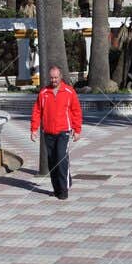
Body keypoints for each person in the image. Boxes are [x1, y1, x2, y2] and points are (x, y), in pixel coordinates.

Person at [30, 65, 82, 200]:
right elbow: (37, 111)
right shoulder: (43, 93)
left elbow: (76, 111)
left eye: (56, 77)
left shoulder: (69, 92)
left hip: (64, 132)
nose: (53, 80)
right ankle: (57, 189)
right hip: (48, 132)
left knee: (61, 159)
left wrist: (77, 130)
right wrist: (34, 129)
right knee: (52, 162)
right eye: (51, 78)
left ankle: (64, 190)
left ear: (61, 77)